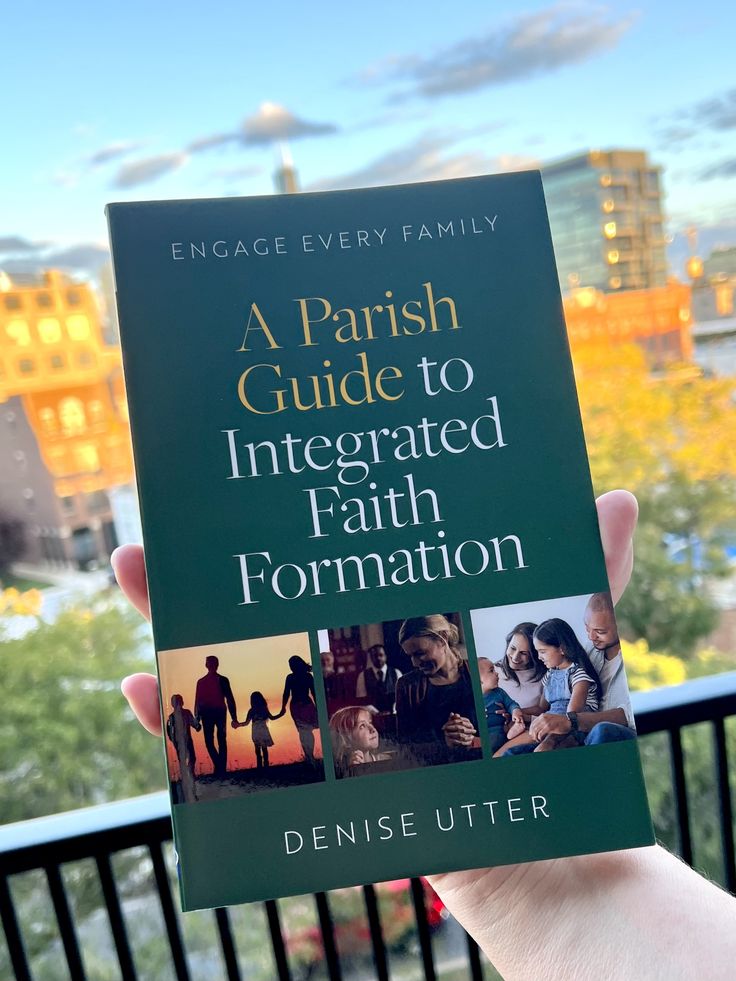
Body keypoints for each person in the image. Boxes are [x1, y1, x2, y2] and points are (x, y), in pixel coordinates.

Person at [114, 491, 736, 979]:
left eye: (427, 652)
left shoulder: (490, 681)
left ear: (452, 641)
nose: (421, 664)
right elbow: (413, 754)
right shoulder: (408, 690)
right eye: (410, 656)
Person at [525, 592, 637, 748]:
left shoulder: (635, 658)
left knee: (602, 730)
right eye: (587, 627)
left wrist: (572, 722)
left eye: (600, 632)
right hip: (582, 728)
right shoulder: (590, 650)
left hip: (616, 732)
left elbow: (629, 714)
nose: (591, 637)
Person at [499, 618, 602, 755]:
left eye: (542, 652)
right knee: (510, 753)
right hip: (551, 723)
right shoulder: (550, 675)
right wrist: (518, 712)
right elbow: (542, 708)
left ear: (562, 649)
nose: (539, 658)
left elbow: (571, 717)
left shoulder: (578, 675)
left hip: (572, 729)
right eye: (537, 652)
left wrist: (548, 735)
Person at [396, 614, 479, 764]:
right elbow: (405, 746)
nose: (415, 663)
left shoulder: (478, 670)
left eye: (420, 653)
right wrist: (444, 742)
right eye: (410, 656)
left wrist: (472, 740)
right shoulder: (406, 685)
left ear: (442, 639)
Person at [194, 655, 237, 777]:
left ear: (217, 665)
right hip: (207, 714)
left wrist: (234, 718)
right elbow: (197, 701)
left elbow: (230, 698)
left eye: (213, 663)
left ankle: (220, 769)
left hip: (220, 713)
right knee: (209, 741)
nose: (211, 665)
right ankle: (219, 766)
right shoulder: (201, 682)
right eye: (209, 663)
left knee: (221, 740)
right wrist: (196, 718)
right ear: (206, 665)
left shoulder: (223, 680)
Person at [495, 622, 546, 712]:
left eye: (524, 653)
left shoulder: (546, 675)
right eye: (513, 648)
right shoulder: (493, 671)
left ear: (534, 654)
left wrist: (513, 712)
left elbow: (543, 709)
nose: (515, 657)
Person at [477, 658, 526, 753]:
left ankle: (514, 730)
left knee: (498, 736)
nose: (496, 673)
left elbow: (511, 703)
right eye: (491, 671)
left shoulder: (499, 692)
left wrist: (515, 711)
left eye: (494, 670)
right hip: (486, 731)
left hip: (500, 727)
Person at [329, 705, 393, 777]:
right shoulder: (343, 773)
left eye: (370, 722)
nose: (372, 729)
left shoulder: (387, 760)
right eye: (362, 726)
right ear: (346, 739)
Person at [279, 655, 320, 763]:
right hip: (297, 707)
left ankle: (309, 755)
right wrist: (283, 707)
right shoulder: (291, 677)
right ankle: (309, 756)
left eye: (292, 665)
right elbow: (286, 693)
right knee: (304, 731)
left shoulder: (307, 677)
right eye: (289, 665)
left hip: (306, 706)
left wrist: (318, 706)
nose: (290, 667)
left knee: (306, 731)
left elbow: (314, 692)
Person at [165, 693, 200, 802]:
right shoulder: (184, 714)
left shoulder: (172, 717)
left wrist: (174, 742)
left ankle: (190, 791)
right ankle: (190, 790)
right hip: (185, 743)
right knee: (189, 766)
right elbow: (196, 726)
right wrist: (198, 721)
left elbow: (170, 733)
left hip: (181, 744)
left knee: (187, 766)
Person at [236, 691, 281, 769]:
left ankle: (260, 766)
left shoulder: (252, 710)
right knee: (264, 748)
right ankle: (265, 765)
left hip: (257, 730)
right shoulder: (262, 709)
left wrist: (238, 725)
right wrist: (281, 714)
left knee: (258, 749)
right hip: (262, 730)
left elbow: (246, 723)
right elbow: (272, 718)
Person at [355, 644, 402, 712]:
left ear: (385, 656)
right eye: (375, 656)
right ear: (371, 657)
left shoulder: (396, 673)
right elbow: (361, 701)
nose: (378, 658)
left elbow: (402, 697)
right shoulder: (362, 676)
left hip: (394, 715)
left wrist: (395, 708)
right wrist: (373, 711)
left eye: (381, 655)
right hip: (373, 716)